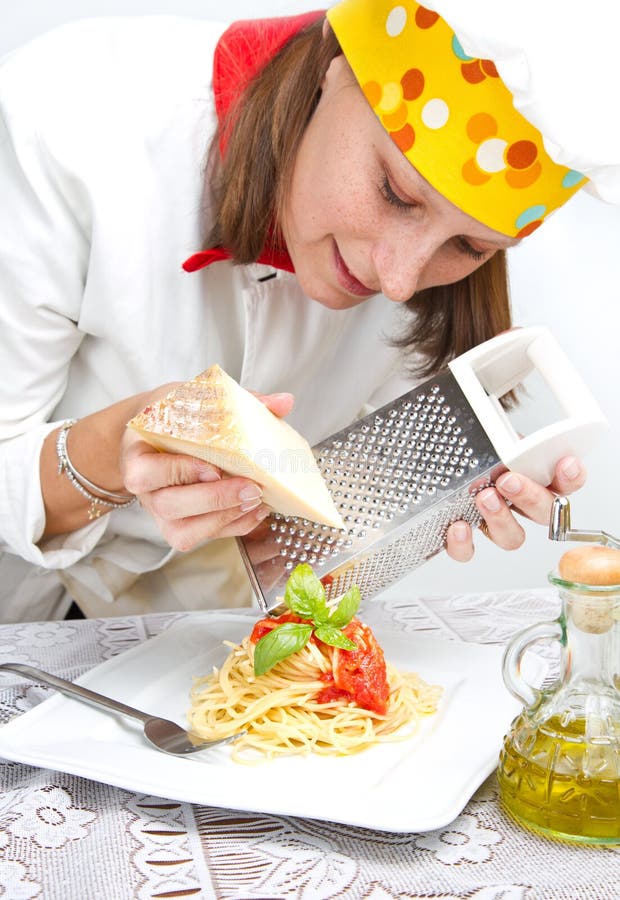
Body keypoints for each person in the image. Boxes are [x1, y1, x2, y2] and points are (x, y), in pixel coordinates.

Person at [0, 0, 596, 621]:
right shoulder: (63, 120)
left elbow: (324, 523)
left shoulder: (426, 281)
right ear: (333, 67)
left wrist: (436, 505)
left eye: (470, 247)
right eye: (394, 192)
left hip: (205, 631)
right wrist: (115, 454)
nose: (399, 281)